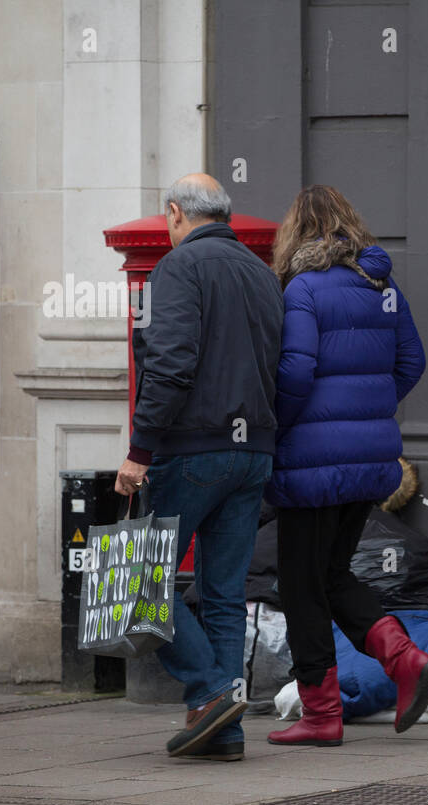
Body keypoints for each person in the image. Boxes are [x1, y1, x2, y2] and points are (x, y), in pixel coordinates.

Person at [115, 174, 284, 761]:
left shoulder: (179, 268)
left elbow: (170, 365)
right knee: (223, 595)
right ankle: (226, 732)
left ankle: (210, 690)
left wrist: (139, 451)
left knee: (139, 582)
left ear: (175, 214)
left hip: (193, 450)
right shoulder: (263, 274)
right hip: (253, 451)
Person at [264, 185, 428, 746]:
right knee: (332, 574)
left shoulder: (303, 288)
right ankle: (404, 658)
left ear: (297, 231)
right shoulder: (381, 286)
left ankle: (321, 713)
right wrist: (371, 410)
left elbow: (295, 371)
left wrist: (279, 428)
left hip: (311, 464)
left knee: (300, 585)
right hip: (370, 460)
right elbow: (413, 361)